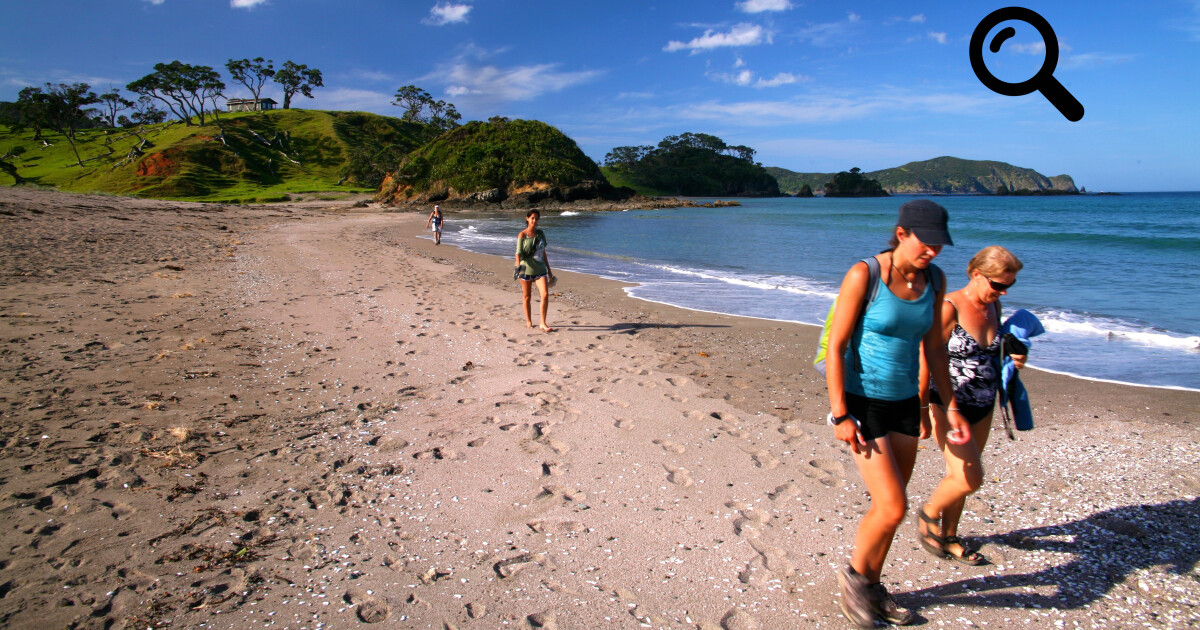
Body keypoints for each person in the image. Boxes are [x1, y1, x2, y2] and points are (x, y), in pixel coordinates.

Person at [824, 199, 971, 628]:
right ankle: (855, 588)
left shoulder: (935, 279)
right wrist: (840, 415)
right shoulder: (864, 274)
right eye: (926, 242)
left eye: (940, 244)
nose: (934, 251)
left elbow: (935, 350)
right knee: (891, 507)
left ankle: (872, 584)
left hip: (906, 400)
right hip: (862, 400)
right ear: (902, 233)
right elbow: (835, 346)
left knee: (891, 508)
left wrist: (950, 407)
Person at [917, 246, 1025, 566]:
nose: (1003, 291)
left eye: (1010, 286)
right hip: (950, 405)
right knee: (968, 477)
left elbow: (988, 353)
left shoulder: (995, 306)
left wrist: (1015, 357)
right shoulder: (949, 307)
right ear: (977, 275)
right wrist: (922, 410)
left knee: (959, 476)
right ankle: (927, 517)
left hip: (984, 404)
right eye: (998, 284)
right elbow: (926, 358)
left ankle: (949, 537)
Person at [514, 209, 554, 332]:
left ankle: (542, 323)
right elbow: (518, 254)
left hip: (540, 269)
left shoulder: (540, 233)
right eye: (532, 218)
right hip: (525, 269)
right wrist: (517, 269)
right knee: (527, 296)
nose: (534, 221)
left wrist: (549, 269)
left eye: (536, 218)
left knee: (545, 295)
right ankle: (529, 321)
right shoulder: (522, 235)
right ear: (527, 219)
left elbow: (543, 252)